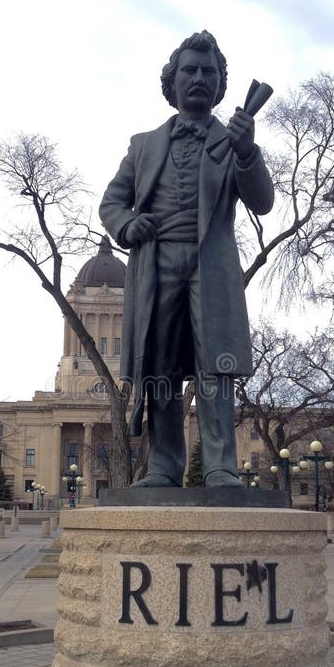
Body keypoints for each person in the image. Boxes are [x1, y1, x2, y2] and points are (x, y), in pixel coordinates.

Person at [100, 30, 274, 488]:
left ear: (219, 85)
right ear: (172, 82)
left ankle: (220, 466)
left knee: (215, 367)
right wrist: (126, 224)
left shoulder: (234, 139)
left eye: (208, 72)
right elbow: (112, 202)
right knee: (159, 368)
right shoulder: (143, 145)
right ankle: (163, 465)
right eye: (190, 70)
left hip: (210, 267)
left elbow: (262, 202)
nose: (199, 78)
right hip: (155, 268)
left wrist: (247, 151)